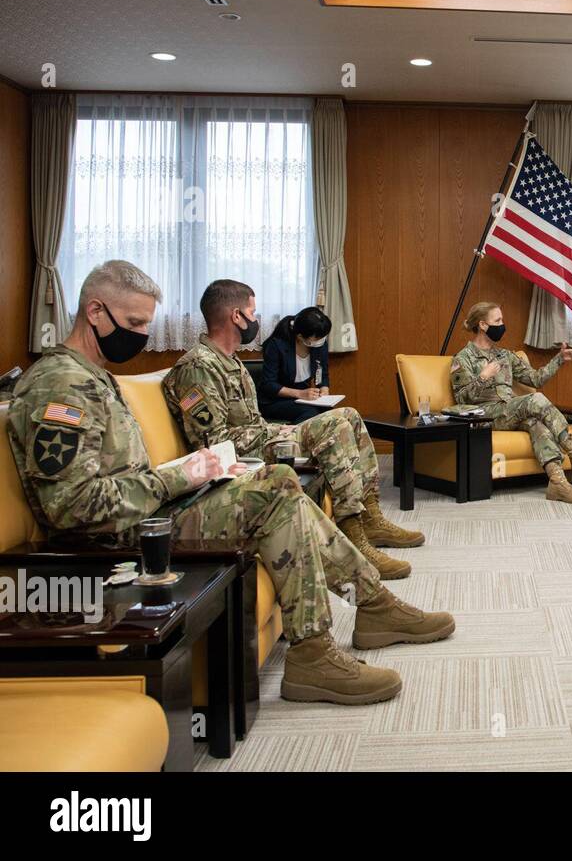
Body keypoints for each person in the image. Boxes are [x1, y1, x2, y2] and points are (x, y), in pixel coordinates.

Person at [7, 260, 454, 706]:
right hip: (120, 540)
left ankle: (367, 609)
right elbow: (72, 506)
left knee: (278, 483)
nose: (142, 334)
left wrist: (180, 481)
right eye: (134, 323)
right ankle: (329, 641)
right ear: (95, 312)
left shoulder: (90, 376)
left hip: (149, 516)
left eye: (146, 323)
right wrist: (174, 478)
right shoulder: (59, 386)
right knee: (276, 489)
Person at [162, 280, 423, 584]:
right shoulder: (197, 367)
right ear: (236, 316)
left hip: (259, 439)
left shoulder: (230, 362)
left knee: (348, 416)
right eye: (252, 311)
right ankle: (354, 536)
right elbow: (214, 442)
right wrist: (273, 434)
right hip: (238, 457)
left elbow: (251, 421)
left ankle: (371, 518)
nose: (255, 320)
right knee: (334, 425)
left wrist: (275, 429)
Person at [449, 301, 572, 505]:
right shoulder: (462, 358)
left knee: (536, 423)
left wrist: (559, 359)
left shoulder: (504, 355)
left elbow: (535, 379)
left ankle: (557, 482)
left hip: (509, 412)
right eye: (497, 320)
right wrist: (483, 377)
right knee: (535, 399)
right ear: (482, 325)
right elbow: (461, 398)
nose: (502, 324)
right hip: (485, 416)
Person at [258, 306, 332, 424]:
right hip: (275, 401)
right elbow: (269, 385)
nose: (321, 341)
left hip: (301, 398)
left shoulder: (319, 345)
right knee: (310, 413)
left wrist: (324, 389)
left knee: (329, 412)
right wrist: (300, 394)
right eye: (317, 338)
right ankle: (288, 438)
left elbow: (323, 373)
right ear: (300, 336)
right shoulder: (277, 345)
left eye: (322, 338)